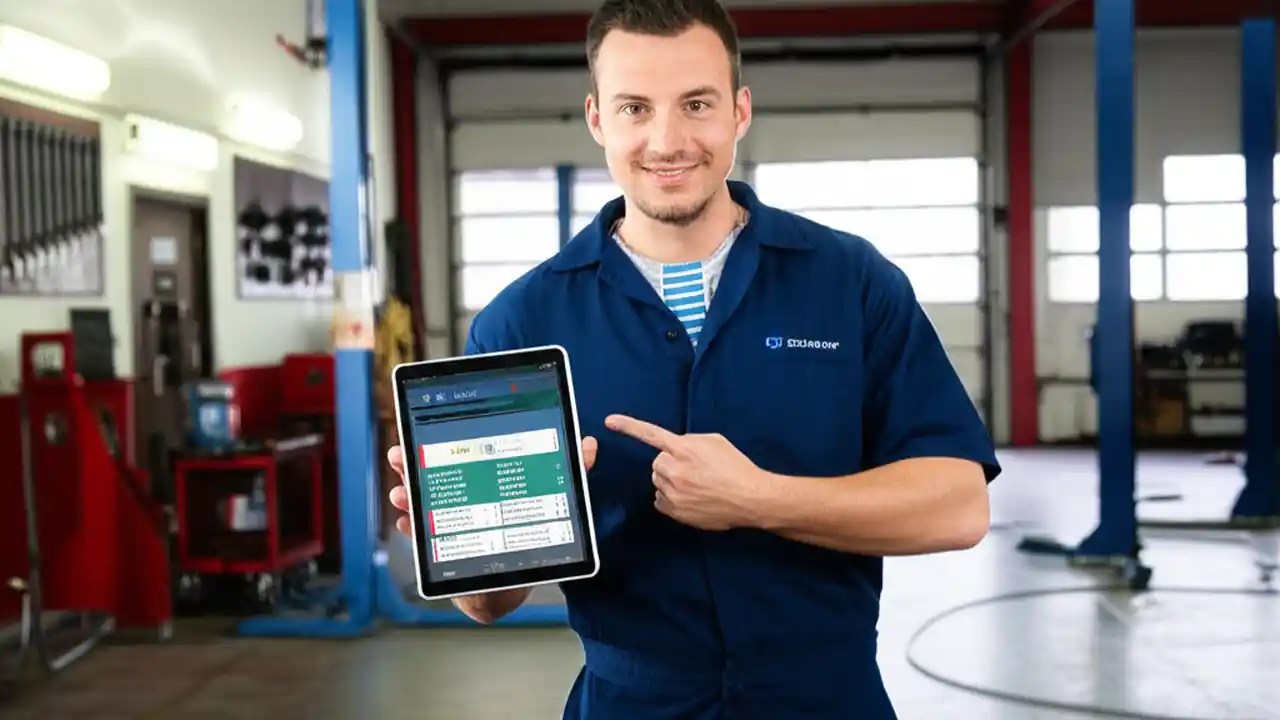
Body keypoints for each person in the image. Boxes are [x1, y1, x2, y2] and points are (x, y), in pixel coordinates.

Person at [386, 0, 1001, 717]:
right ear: (597, 119)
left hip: (827, 695)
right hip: (632, 700)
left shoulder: (849, 282)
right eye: (635, 108)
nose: (667, 139)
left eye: (697, 103)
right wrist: (464, 538)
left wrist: (759, 500)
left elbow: (958, 506)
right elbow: (490, 605)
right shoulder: (523, 320)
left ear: (740, 111)